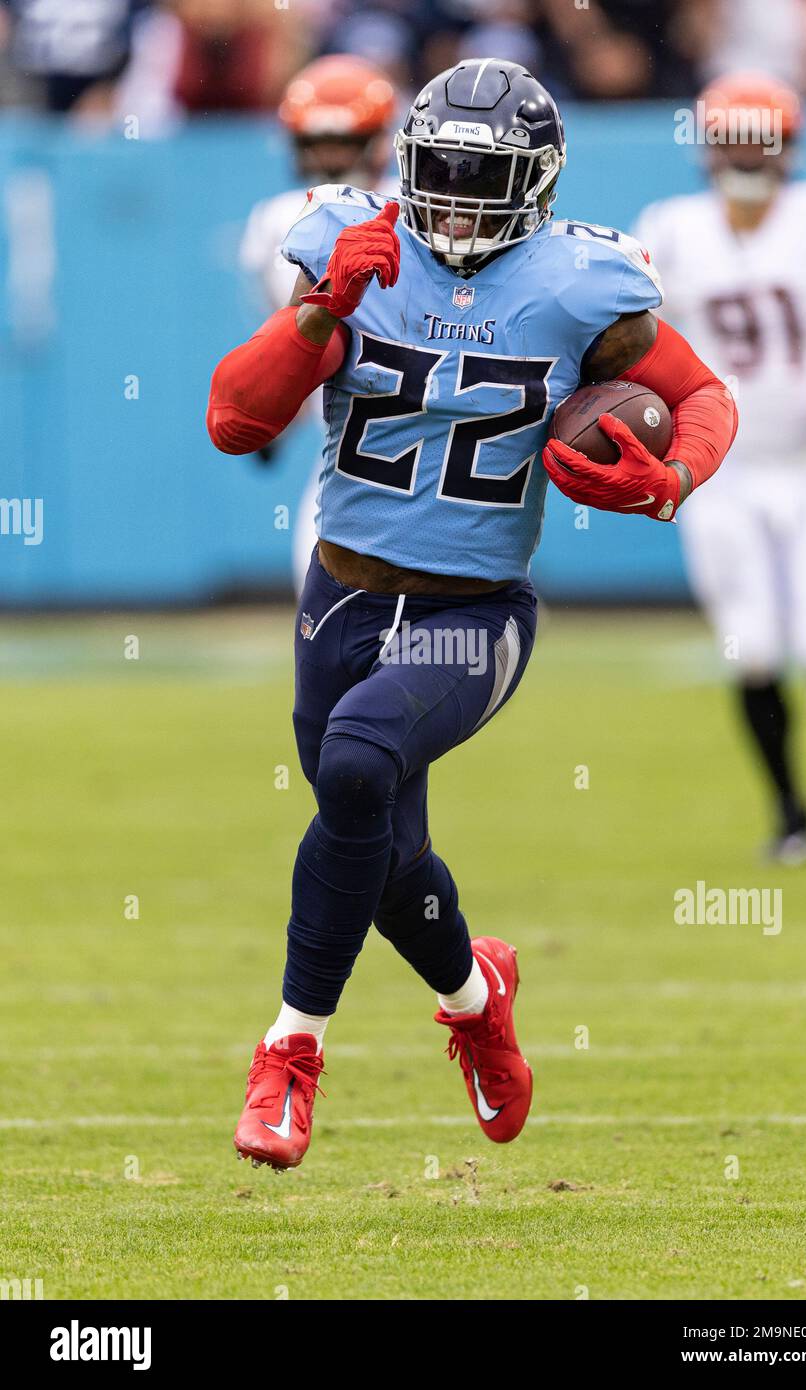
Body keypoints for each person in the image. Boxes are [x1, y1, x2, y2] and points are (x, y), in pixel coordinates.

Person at [207, 58, 737, 1170]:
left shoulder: (580, 282)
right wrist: (319, 310)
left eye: (478, 177)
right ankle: (474, 996)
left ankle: (289, 1051)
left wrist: (672, 478)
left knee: (354, 766)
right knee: (386, 853)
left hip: (474, 612)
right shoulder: (347, 242)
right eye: (436, 172)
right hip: (339, 597)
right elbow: (232, 420)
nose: (451, 199)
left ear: (534, 182)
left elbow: (700, 396)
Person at [634, 72, 806, 863]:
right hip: (720, 469)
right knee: (754, 647)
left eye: (757, 141)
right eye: (731, 141)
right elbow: (635, 348)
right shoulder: (671, 229)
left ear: (788, 148)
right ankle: (792, 812)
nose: (745, 156)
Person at [239, 53, 398, 595]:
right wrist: (278, 413)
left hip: (419, 411)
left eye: (343, 144)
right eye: (317, 145)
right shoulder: (278, 221)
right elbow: (297, 338)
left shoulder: (411, 208)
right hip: (348, 425)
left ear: (376, 141)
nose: (330, 160)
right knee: (318, 581)